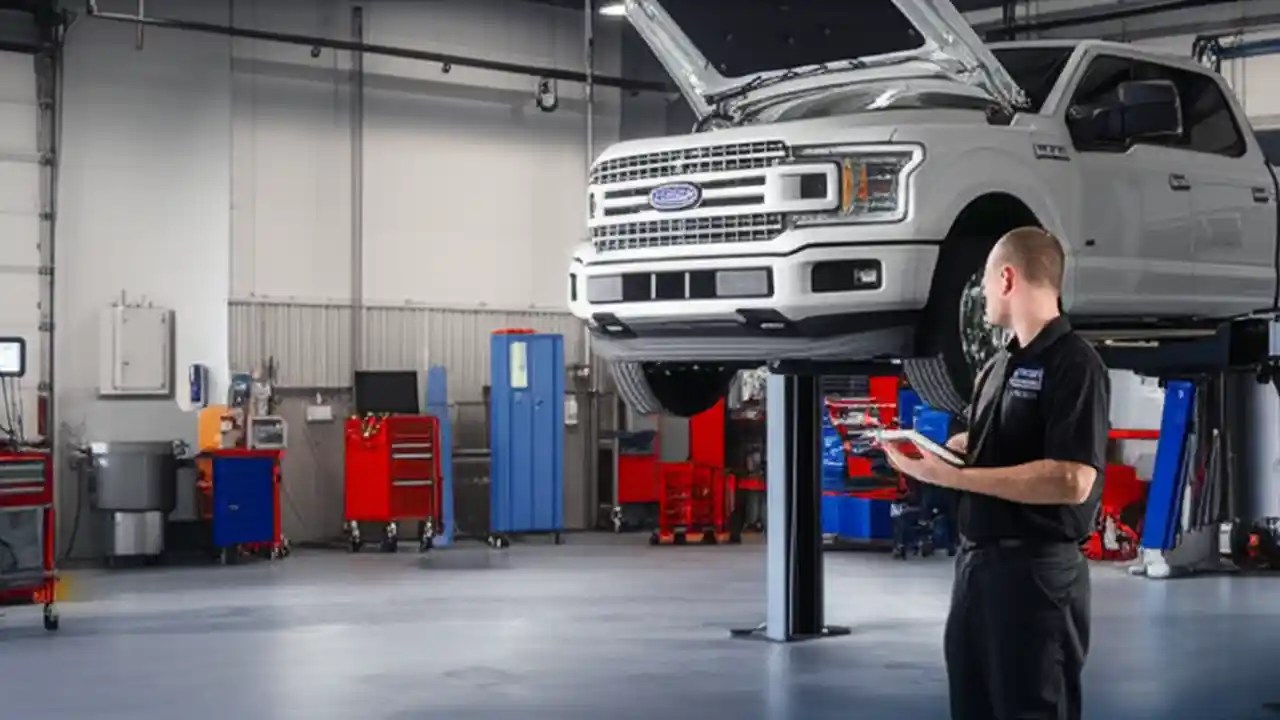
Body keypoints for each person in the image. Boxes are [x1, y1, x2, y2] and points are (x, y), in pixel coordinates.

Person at [881, 227, 1110, 720]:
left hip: (1037, 578)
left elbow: (1073, 480)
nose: (981, 293)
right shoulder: (997, 365)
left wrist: (955, 479)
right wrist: (937, 453)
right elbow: (984, 445)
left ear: (1007, 278)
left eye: (984, 281)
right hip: (977, 570)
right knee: (973, 705)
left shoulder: (1076, 365)